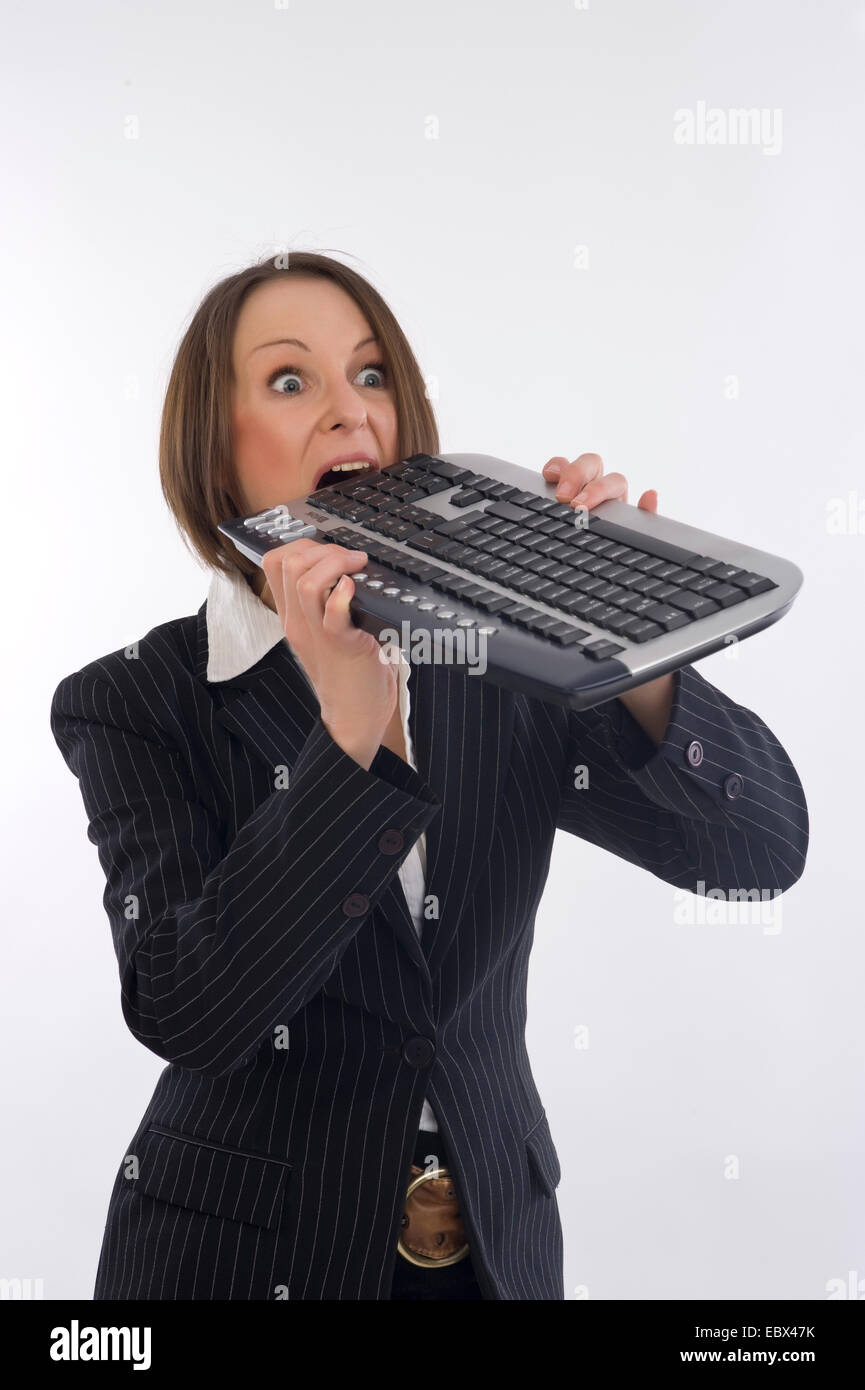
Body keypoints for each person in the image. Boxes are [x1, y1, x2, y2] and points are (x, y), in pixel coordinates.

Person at [50, 251, 809, 1301]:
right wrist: (354, 736)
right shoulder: (136, 698)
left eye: (370, 377)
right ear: (213, 453)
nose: (348, 414)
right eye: (288, 380)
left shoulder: (508, 666)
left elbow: (757, 855)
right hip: (237, 1258)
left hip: (494, 1250)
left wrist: (624, 629)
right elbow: (190, 1010)